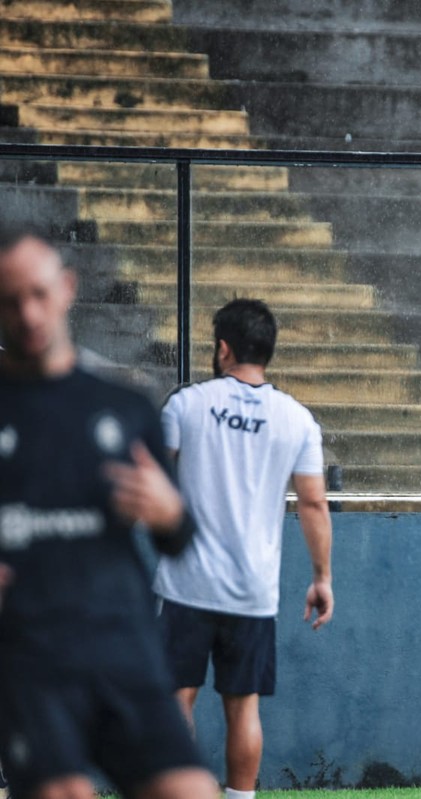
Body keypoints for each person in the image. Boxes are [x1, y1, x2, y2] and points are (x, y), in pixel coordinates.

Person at [0, 229, 218, 799]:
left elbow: (179, 539)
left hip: (125, 653)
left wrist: (168, 512)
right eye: (10, 300)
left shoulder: (125, 405)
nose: (28, 313)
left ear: (67, 289)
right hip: (31, 662)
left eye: (39, 294)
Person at [152, 299, 334, 799]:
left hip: (186, 584)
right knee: (243, 706)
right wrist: (322, 578)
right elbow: (314, 505)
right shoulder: (297, 419)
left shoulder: (186, 404)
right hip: (252, 590)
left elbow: (153, 478)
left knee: (175, 699)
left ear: (223, 349)